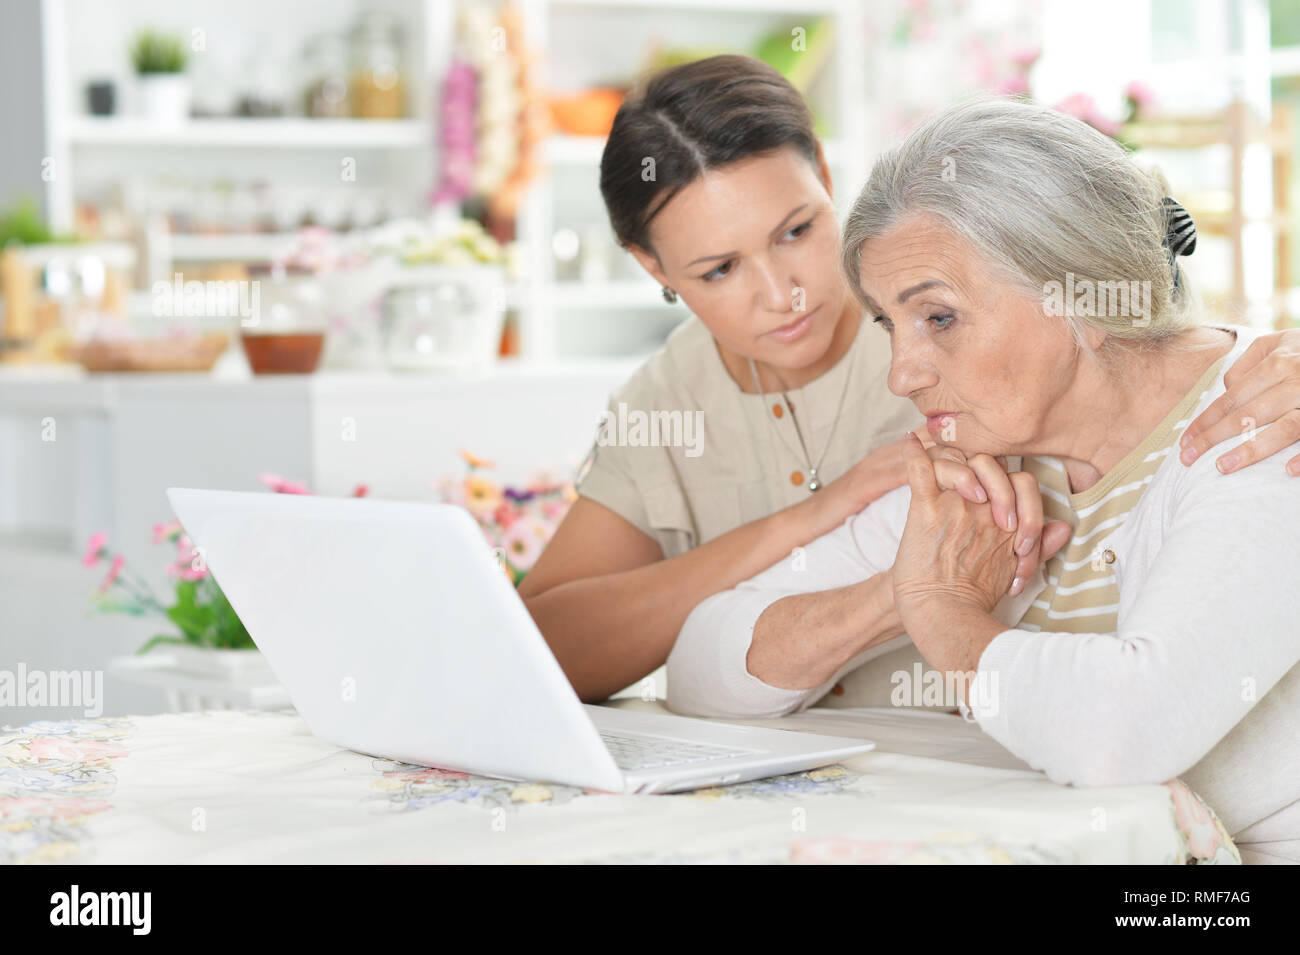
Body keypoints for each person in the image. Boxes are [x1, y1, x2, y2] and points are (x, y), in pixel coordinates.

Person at [518, 54, 1300, 706]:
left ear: (825, 175)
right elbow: (547, 645)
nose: (783, 291)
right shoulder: (672, 395)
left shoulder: (978, 357)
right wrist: (817, 523)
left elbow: (1162, 351)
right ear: (651, 267)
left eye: (797, 230)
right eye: (719, 269)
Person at [666, 96, 1300, 862]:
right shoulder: (982, 457)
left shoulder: (1263, 418)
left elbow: (1121, 733)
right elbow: (700, 670)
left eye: (938, 318)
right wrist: (898, 595)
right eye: (888, 325)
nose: (902, 374)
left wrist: (944, 613)